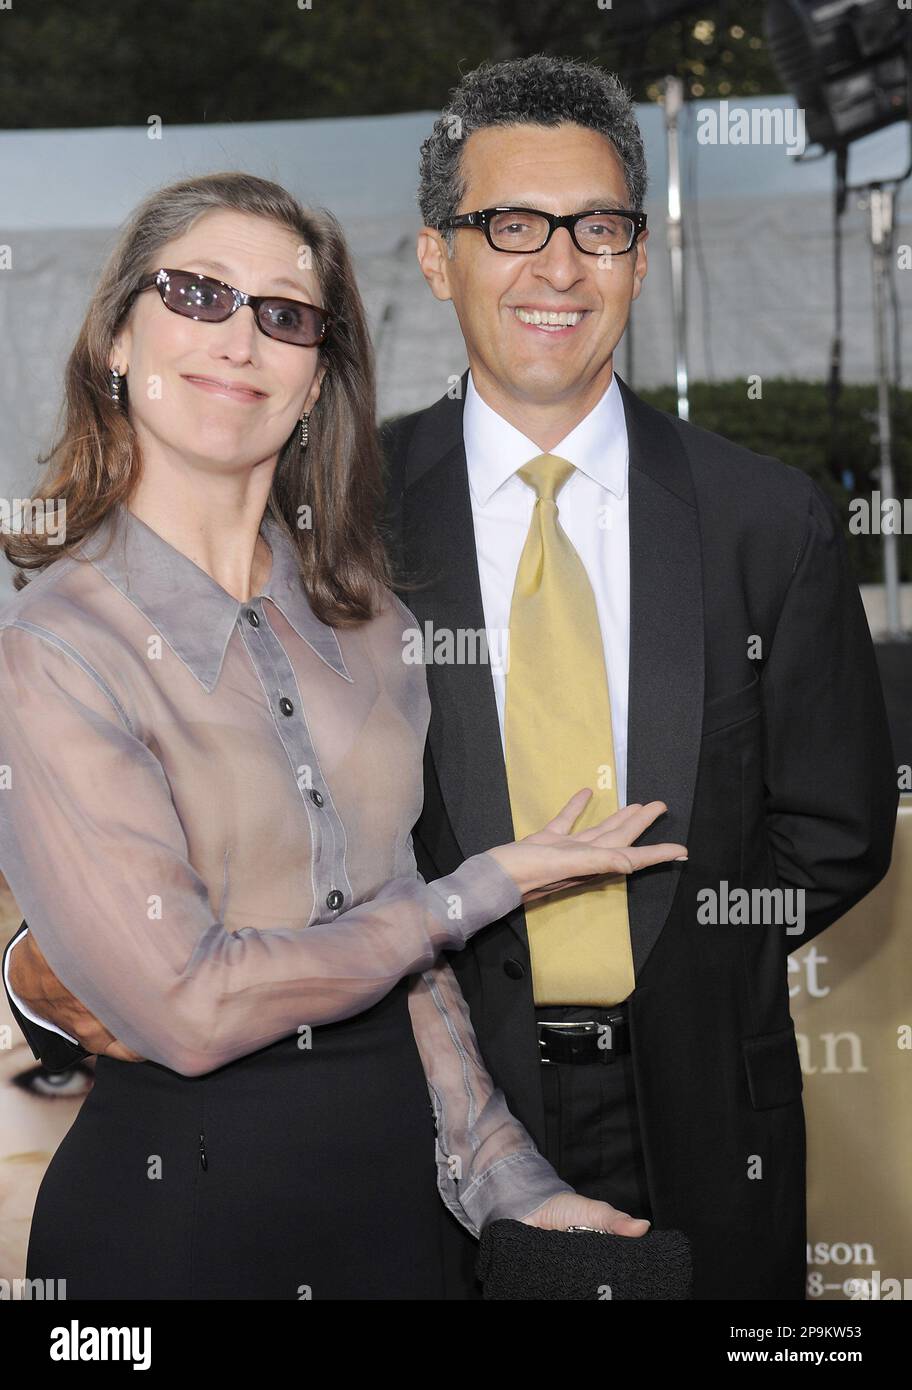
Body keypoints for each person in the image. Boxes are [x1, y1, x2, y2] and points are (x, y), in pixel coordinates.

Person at [0, 171, 688, 1300]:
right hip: (178, 1230)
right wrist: (476, 889)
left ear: (316, 379)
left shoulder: (377, 630)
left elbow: (408, 966)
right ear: (116, 339)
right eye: (196, 293)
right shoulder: (55, 648)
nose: (238, 339)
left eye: (284, 315)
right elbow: (191, 1006)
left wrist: (507, 1180)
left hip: (397, 1227)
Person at [378, 55, 898, 1299]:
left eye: (598, 227)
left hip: (713, 1121)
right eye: (512, 225)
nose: (560, 266)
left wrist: (691, 971)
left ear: (642, 254)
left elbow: (835, 830)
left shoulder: (766, 520)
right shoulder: (342, 515)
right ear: (438, 257)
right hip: (424, 1119)